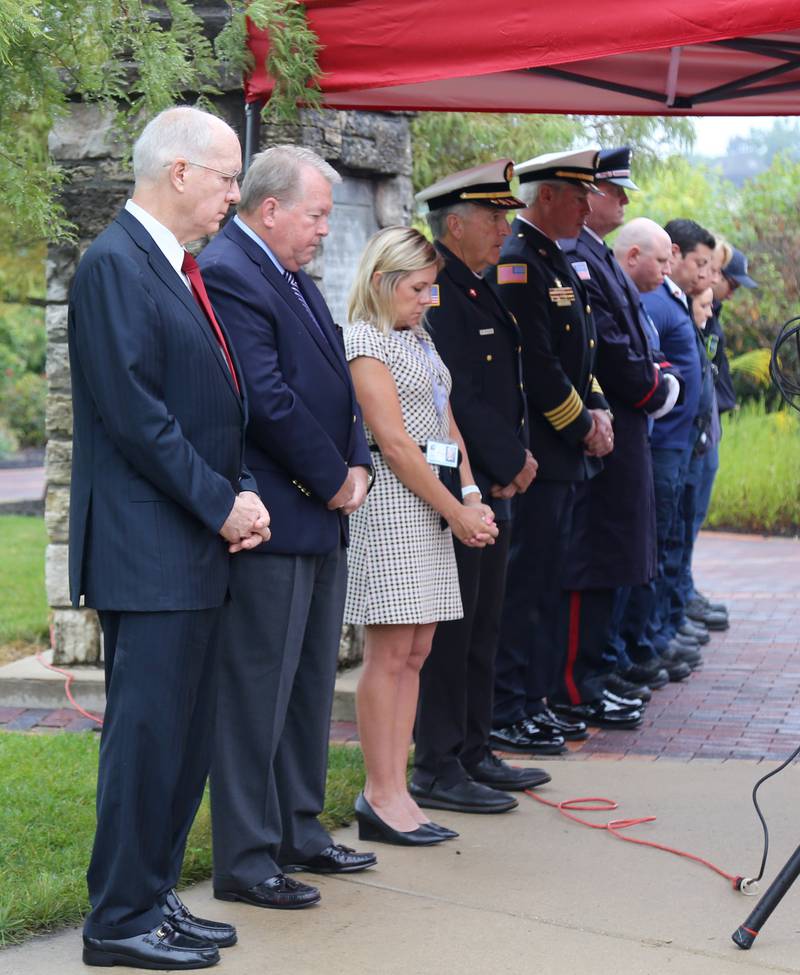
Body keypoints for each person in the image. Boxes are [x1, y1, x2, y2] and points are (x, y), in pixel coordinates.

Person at [69, 105, 271, 970]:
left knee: (185, 743)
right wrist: (222, 504)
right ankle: (117, 918)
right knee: (147, 742)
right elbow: (138, 418)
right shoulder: (114, 265)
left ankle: (153, 897)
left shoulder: (177, 266)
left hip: (192, 546)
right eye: (228, 176)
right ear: (179, 171)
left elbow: (217, 402)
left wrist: (246, 488)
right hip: (150, 551)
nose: (237, 192)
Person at [198, 145, 377, 912]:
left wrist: (359, 460)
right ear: (270, 209)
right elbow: (265, 400)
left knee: (307, 686)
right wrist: (335, 477)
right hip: (275, 514)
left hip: (320, 514)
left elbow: (336, 380)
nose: (324, 232)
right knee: (256, 693)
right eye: (316, 216)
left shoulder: (290, 275)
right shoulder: (233, 270)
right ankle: (244, 854)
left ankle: (300, 827)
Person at [344, 226, 499, 844]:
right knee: (389, 654)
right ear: (383, 282)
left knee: (418, 652)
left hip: (434, 506)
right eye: (419, 288)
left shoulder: (419, 338)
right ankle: (379, 794)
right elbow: (398, 445)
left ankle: (400, 790)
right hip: (392, 508)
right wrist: (455, 511)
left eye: (432, 288)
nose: (430, 299)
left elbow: (447, 425)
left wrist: (470, 495)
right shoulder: (364, 341)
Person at [411, 160, 548, 815]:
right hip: (461, 482)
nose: (505, 228)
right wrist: (508, 460)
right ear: (455, 223)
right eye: (494, 217)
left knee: (484, 622)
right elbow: (454, 393)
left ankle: (472, 747)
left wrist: (510, 463)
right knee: (455, 629)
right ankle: (436, 762)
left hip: (493, 480)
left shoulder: (477, 285)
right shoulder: (438, 290)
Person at [488, 148, 636, 752]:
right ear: (546, 197)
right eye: (578, 196)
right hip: (543, 453)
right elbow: (539, 366)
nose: (586, 206)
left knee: (549, 583)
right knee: (527, 586)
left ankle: (536, 699)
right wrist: (582, 426)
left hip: (566, 453)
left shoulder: (556, 260)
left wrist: (597, 406)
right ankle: (509, 707)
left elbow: (584, 353)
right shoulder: (520, 262)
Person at [555, 149, 681, 722]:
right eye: (613, 191)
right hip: (601, 433)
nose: (621, 201)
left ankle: (598, 671)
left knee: (618, 556)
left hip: (621, 430)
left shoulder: (593, 254)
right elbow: (603, 349)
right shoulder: (573, 256)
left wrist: (653, 384)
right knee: (595, 558)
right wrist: (654, 390)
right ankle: (580, 683)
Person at [611, 217, 692, 685]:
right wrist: (663, 390)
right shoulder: (641, 300)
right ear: (634, 256)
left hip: (663, 440)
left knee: (656, 547)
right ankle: (626, 651)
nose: (669, 268)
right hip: (647, 442)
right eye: (662, 260)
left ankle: (640, 642)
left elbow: (655, 358)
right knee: (638, 554)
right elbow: (629, 365)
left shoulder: (642, 300)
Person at [641, 218, 717, 674]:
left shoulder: (674, 299)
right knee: (662, 542)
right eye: (699, 262)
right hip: (664, 441)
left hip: (683, 441)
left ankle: (664, 626)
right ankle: (653, 635)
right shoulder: (657, 299)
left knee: (675, 537)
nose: (705, 273)